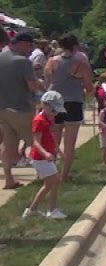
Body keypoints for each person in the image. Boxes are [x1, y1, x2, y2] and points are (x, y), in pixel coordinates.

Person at [44, 34, 95, 183]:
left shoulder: (51, 62)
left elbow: (47, 84)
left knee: (53, 140)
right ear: (75, 46)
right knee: (69, 142)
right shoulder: (80, 63)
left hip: (53, 101)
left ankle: (50, 172)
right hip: (73, 101)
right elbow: (89, 86)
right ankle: (64, 175)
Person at [0, 33, 42, 190]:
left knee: (7, 144)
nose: (31, 49)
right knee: (37, 141)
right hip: (21, 109)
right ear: (22, 43)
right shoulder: (23, 61)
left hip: (2, 108)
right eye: (30, 45)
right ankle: (44, 175)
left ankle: (9, 179)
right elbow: (33, 86)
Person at [24, 91, 67, 219]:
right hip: (40, 158)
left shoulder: (49, 119)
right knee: (53, 181)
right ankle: (35, 209)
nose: (56, 113)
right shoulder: (39, 120)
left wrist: (58, 151)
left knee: (53, 182)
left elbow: (52, 137)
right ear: (45, 105)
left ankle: (48, 209)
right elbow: (36, 142)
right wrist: (46, 153)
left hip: (48, 156)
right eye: (54, 110)